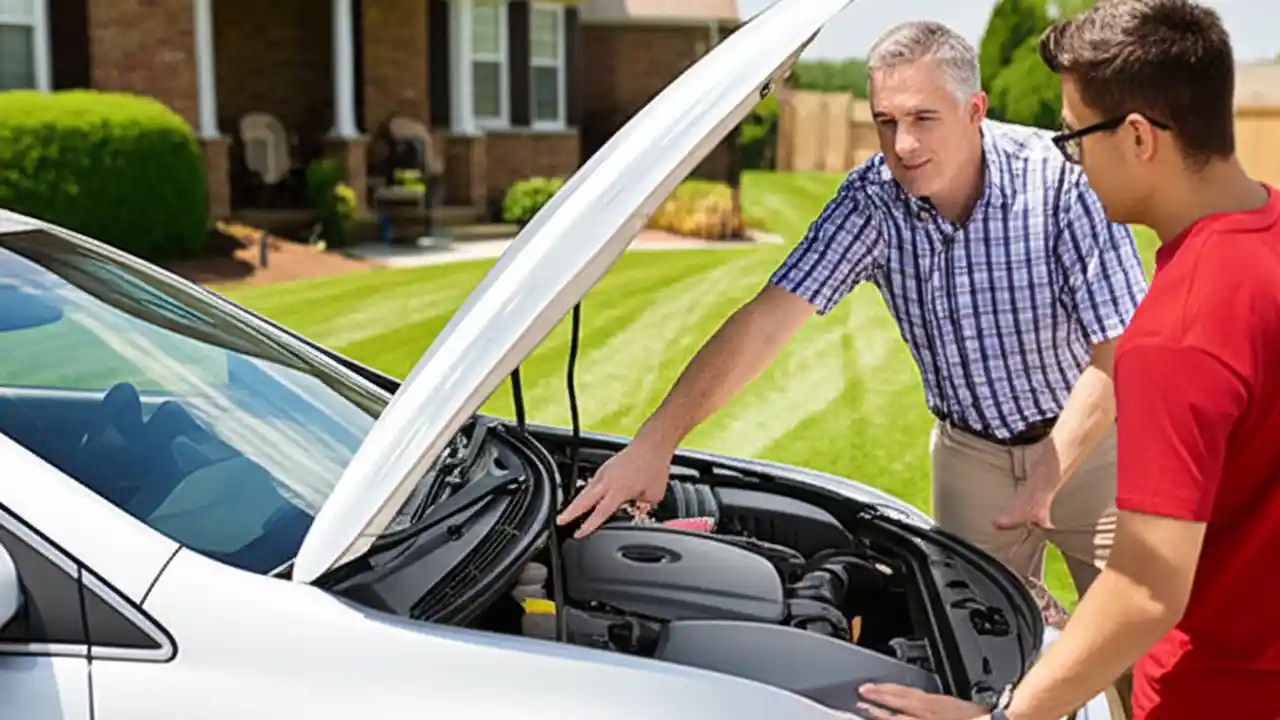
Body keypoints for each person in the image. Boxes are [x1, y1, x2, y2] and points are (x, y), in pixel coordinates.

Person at [557, 21, 1148, 601]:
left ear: (974, 110)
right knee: (974, 656)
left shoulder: (1060, 182)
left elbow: (1119, 353)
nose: (903, 145)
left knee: (1140, 655)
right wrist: (656, 442)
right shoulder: (873, 201)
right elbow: (766, 322)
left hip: (1092, 448)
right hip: (971, 459)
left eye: (923, 119)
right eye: (886, 123)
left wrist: (1047, 476)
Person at [857, 1, 1280, 719]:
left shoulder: (1174, 330)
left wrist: (1001, 717)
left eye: (1075, 134)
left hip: (1210, 695)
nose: (1071, 156)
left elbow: (1145, 588)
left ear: (1139, 138)